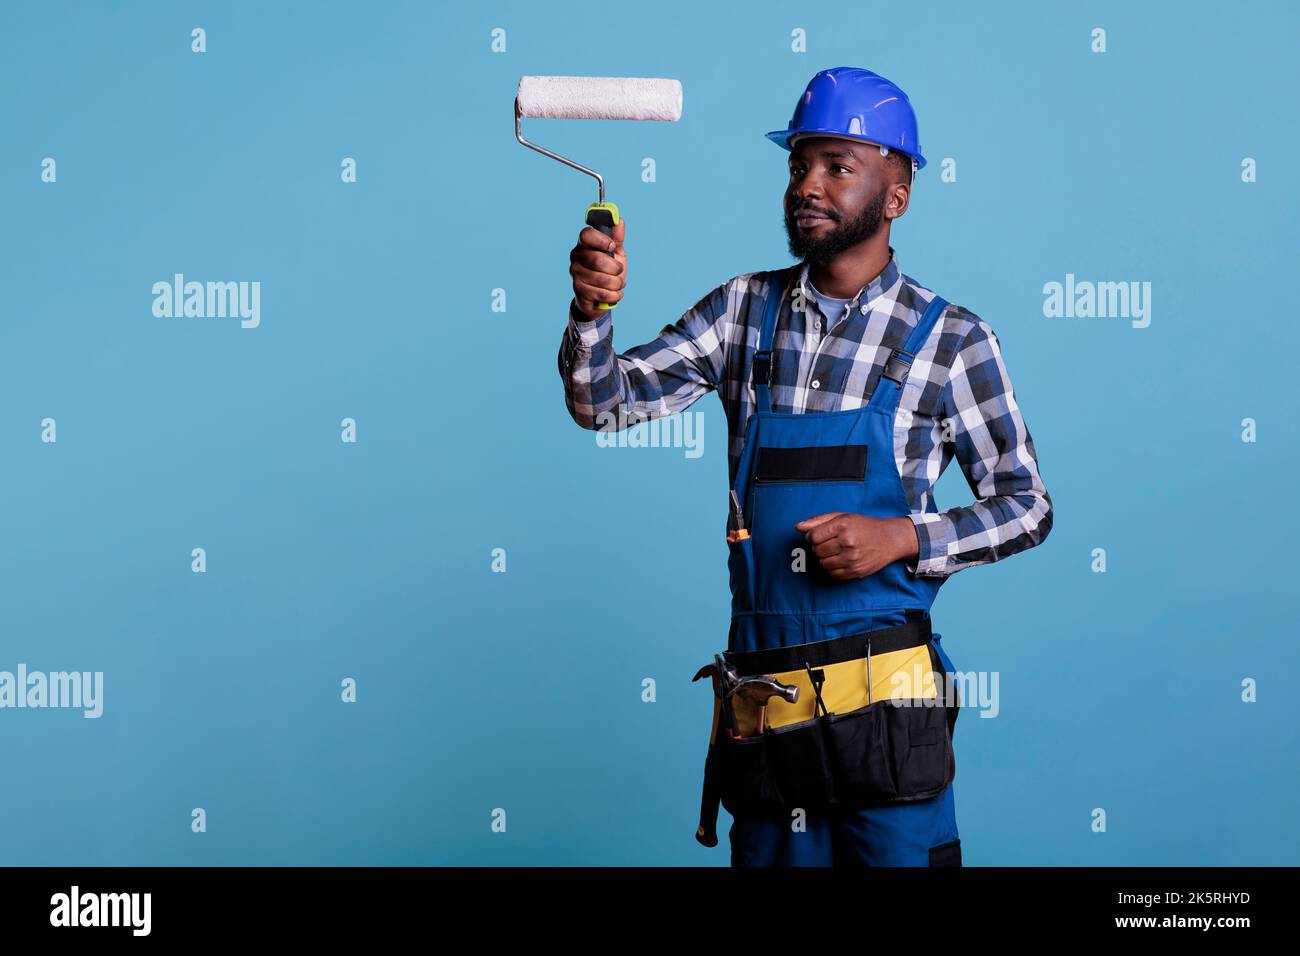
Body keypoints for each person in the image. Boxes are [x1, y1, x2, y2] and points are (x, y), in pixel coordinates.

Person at [557, 66, 1053, 866]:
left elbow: (1027, 505)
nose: (806, 185)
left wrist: (903, 538)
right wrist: (592, 313)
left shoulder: (953, 341)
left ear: (896, 197)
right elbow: (604, 404)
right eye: (798, 164)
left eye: (836, 167)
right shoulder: (739, 312)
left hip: (890, 726)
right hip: (769, 716)